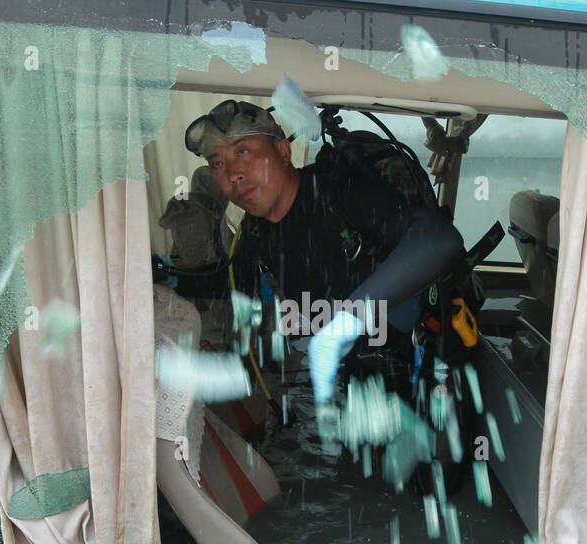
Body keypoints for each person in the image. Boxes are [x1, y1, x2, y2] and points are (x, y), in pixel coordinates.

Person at [182, 99, 466, 405]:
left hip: (425, 373)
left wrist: (346, 323)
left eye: (243, 151)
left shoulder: (338, 191)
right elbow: (230, 283)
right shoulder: (257, 230)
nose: (233, 173)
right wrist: (161, 277)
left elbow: (439, 239)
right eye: (217, 163)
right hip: (356, 381)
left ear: (282, 150)